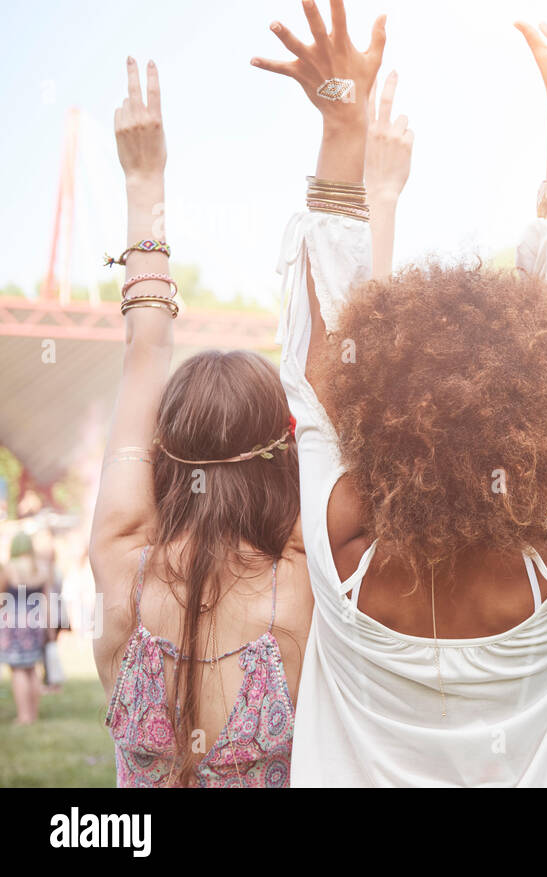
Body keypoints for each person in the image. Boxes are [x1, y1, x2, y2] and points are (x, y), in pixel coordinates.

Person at [257, 0, 547, 785]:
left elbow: (316, 360)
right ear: (540, 406)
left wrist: (341, 128)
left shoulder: (343, 544)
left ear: (381, 409)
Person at [88, 59, 313, 787]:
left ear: (163, 454)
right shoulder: (305, 589)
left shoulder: (122, 567)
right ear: (281, 455)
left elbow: (143, 351)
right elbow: (335, 378)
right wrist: (360, 178)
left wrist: (144, 183)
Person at [0, 532, 52, 725]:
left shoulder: (9, 568)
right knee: (31, 668)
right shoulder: (41, 568)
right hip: (36, 621)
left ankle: (24, 716)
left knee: (18, 669)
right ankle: (33, 713)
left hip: (13, 623)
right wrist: (50, 630)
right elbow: (47, 601)